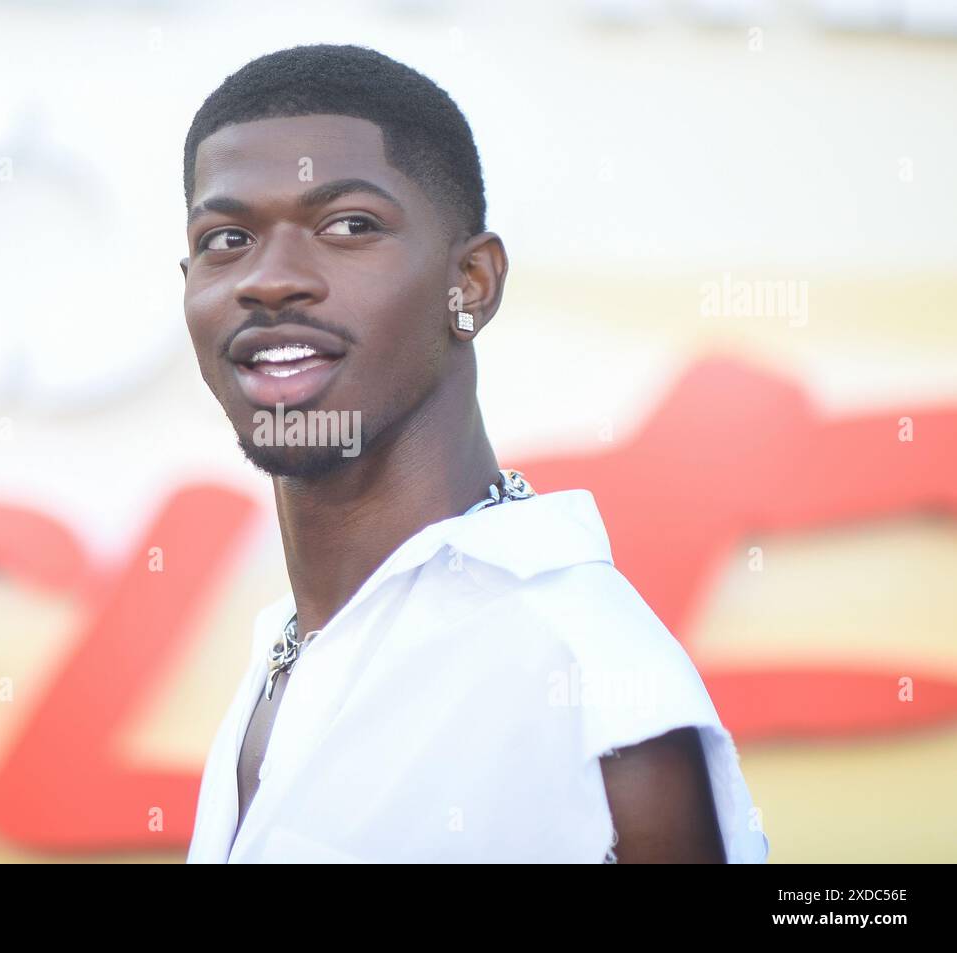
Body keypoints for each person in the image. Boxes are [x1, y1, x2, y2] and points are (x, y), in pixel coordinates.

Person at [179, 43, 769, 863]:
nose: (270, 280)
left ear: (473, 284)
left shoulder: (586, 670)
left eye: (349, 225)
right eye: (227, 238)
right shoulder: (288, 643)